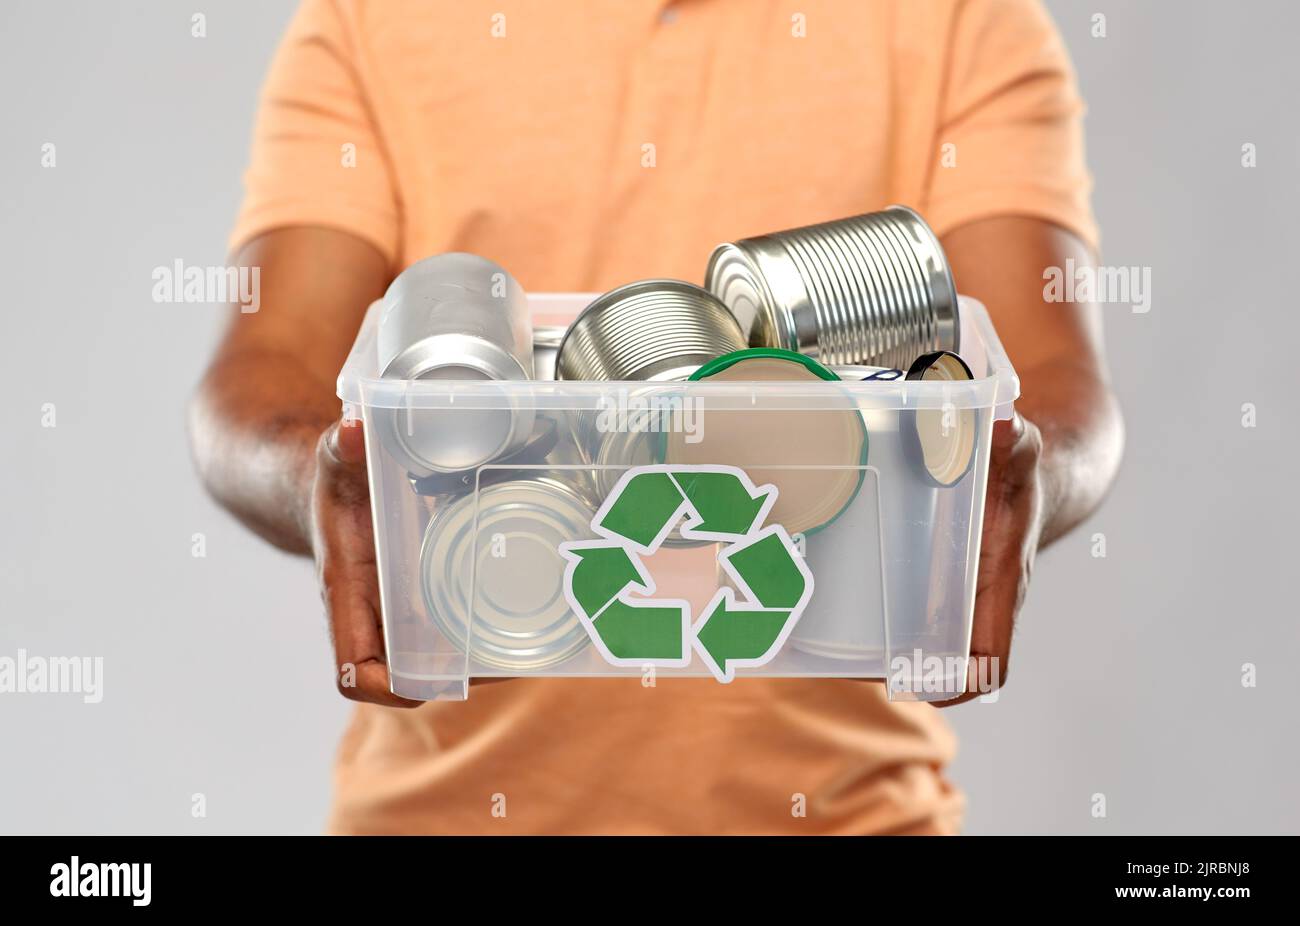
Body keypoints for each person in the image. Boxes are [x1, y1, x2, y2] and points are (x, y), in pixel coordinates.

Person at [189, 0, 1123, 835]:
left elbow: (1052, 384)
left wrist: (1013, 468)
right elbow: (260, 375)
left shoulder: (964, 18)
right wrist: (323, 471)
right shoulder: (370, 19)